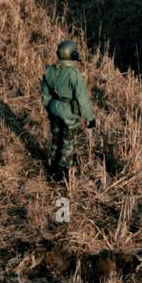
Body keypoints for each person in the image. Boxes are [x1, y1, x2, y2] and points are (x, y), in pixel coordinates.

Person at [41, 39, 95, 179]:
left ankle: (52, 165)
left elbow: (45, 94)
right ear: (72, 54)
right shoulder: (74, 74)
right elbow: (82, 98)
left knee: (56, 138)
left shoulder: (49, 70)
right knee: (68, 141)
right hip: (69, 111)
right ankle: (62, 171)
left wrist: (49, 108)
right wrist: (90, 117)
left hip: (54, 108)